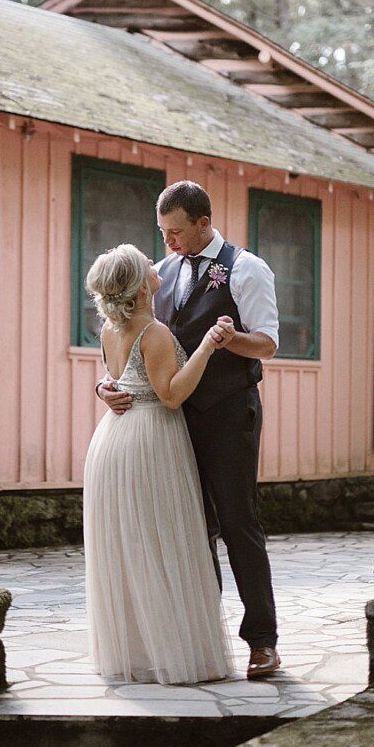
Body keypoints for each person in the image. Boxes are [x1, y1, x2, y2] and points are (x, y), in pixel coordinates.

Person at [96, 181, 282, 679]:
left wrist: (228, 338)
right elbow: (129, 339)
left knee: (239, 523)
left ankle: (262, 641)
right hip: (169, 422)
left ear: (204, 222)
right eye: (162, 233)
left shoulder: (247, 268)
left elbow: (266, 345)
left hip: (227, 415)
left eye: (176, 232)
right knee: (189, 530)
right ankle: (202, 638)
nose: (168, 243)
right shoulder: (160, 273)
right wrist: (105, 385)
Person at [83, 244, 236, 683]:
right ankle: (171, 653)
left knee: (131, 548)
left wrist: (101, 388)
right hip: (150, 440)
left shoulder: (110, 330)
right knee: (161, 543)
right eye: (146, 263)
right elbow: (171, 395)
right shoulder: (154, 333)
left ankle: (137, 653)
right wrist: (206, 347)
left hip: (112, 441)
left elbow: (114, 380)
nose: (155, 264)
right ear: (138, 283)